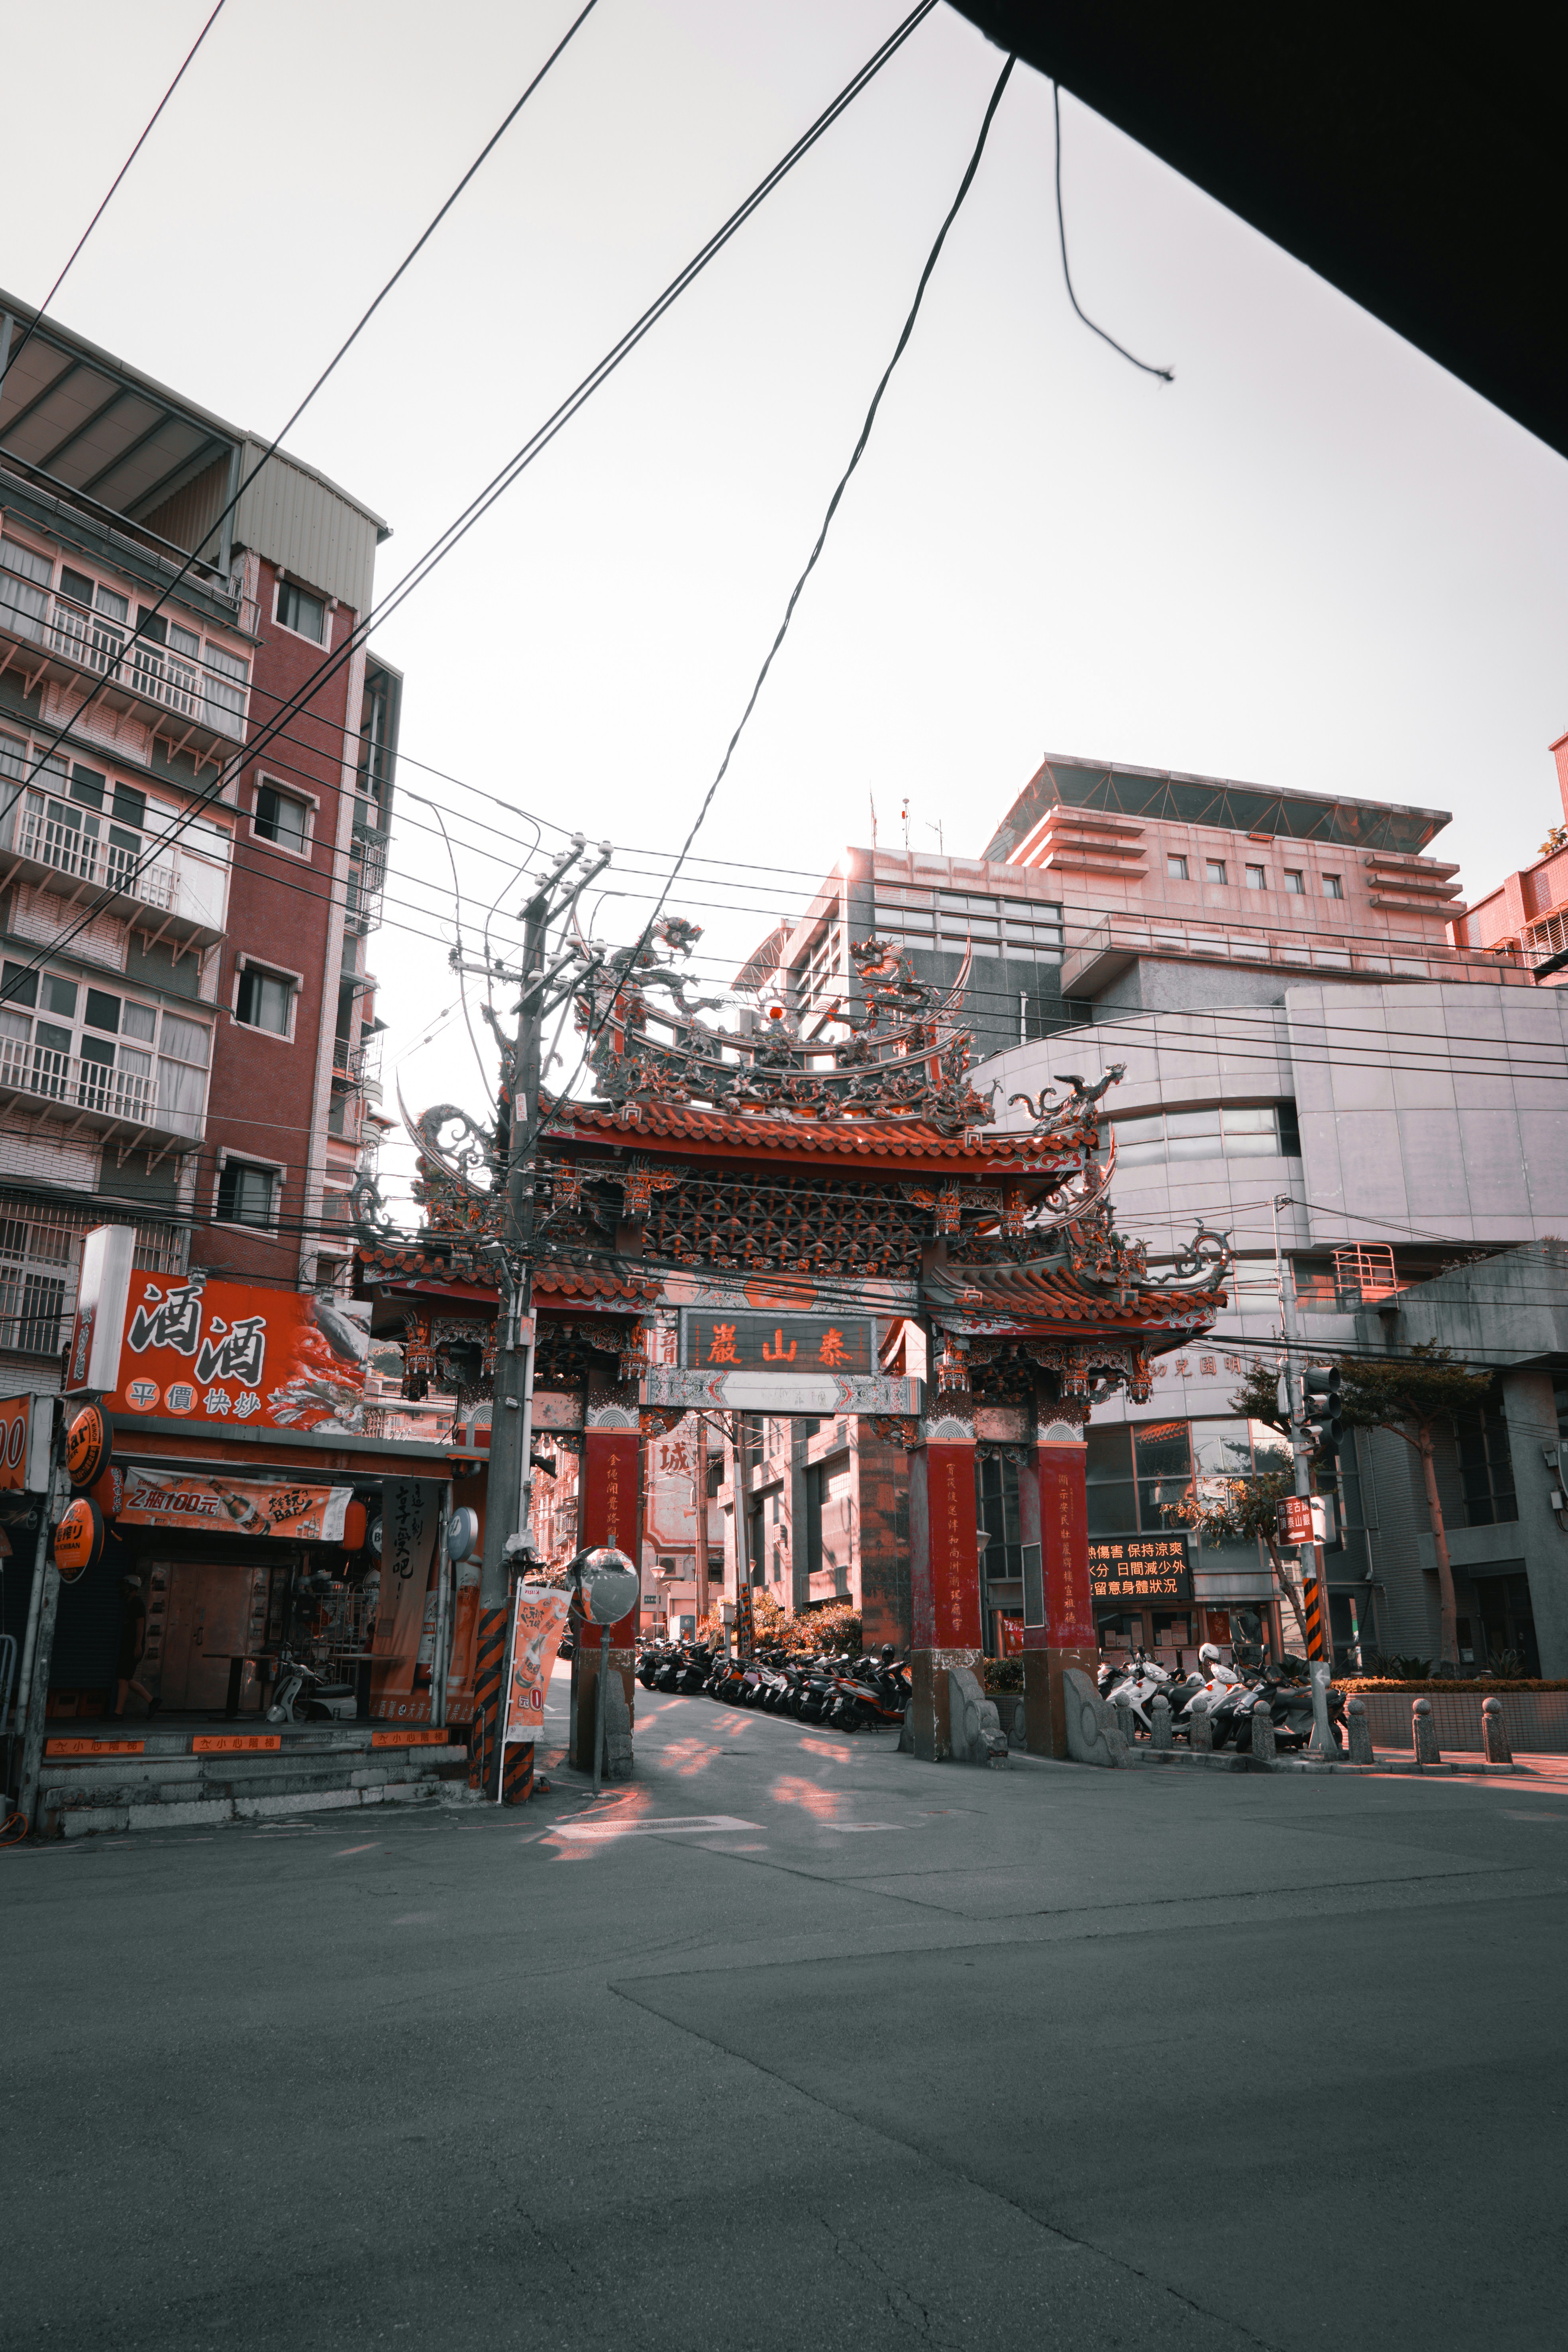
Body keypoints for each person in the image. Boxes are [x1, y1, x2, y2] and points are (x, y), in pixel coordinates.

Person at [114, 1574, 154, 1718]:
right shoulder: (129, 1603)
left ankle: (118, 1713)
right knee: (126, 1679)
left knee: (123, 1679)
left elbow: (141, 1625)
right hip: (128, 1645)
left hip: (133, 1647)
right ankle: (152, 1701)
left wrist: (138, 1645)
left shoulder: (137, 1603)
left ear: (132, 1588)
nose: (123, 1589)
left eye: (125, 1587)